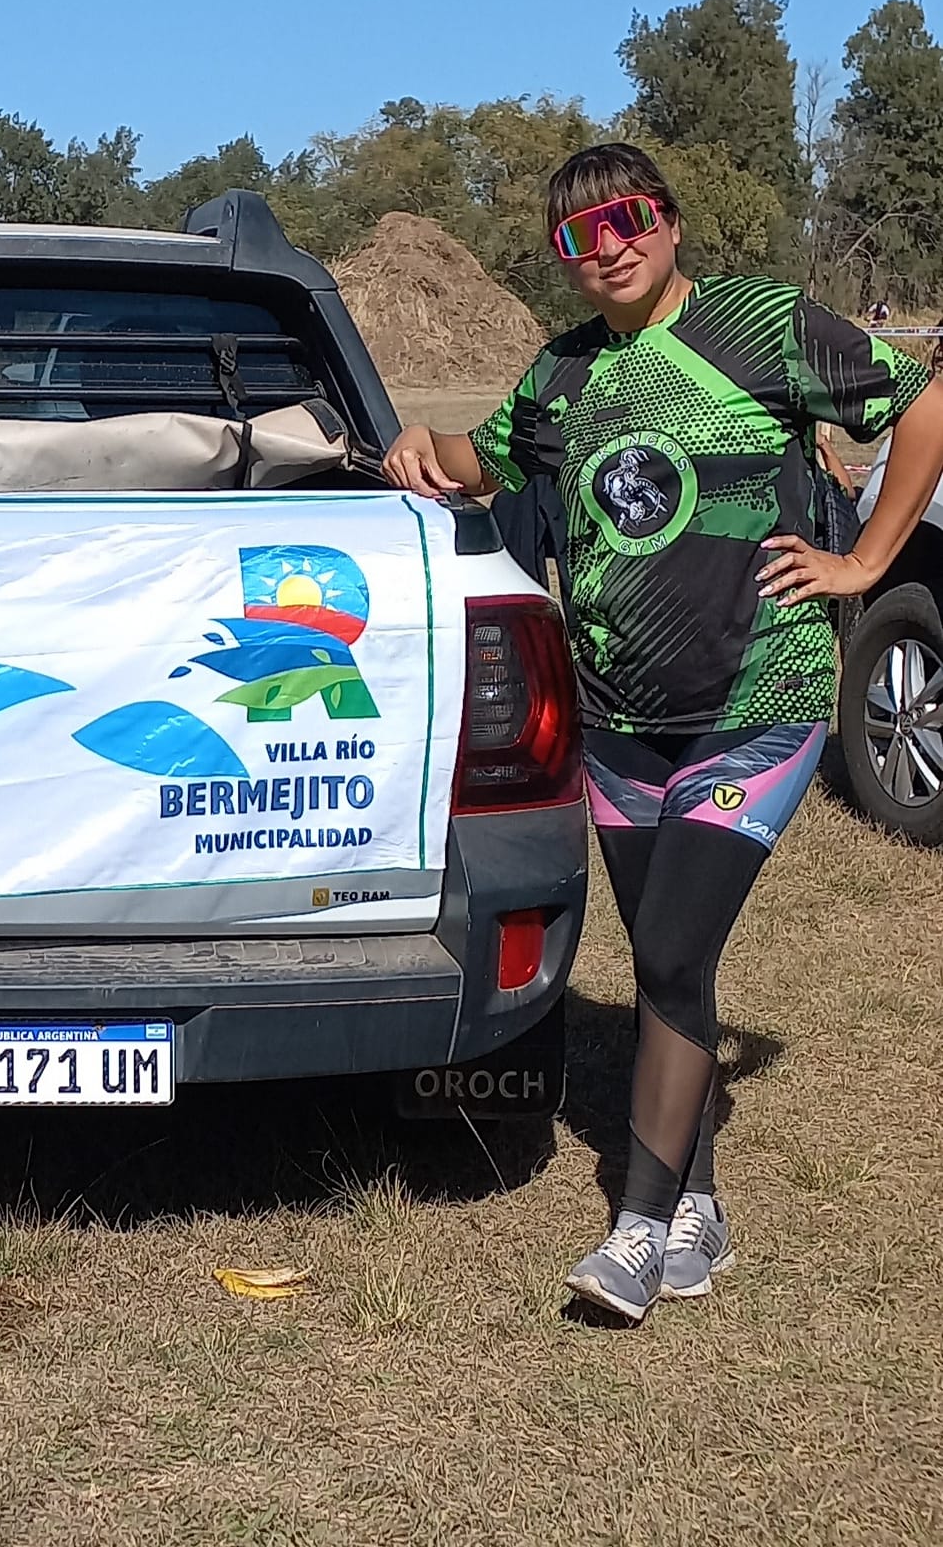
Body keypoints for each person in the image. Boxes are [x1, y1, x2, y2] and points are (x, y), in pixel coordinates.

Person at [384, 143, 943, 1323]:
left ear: (672, 223)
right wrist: (414, 454)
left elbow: (925, 405)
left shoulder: (759, 324)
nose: (608, 247)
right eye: (578, 236)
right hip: (620, 730)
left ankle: (635, 1232)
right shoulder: (562, 373)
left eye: (628, 219)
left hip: (758, 708)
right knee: (663, 968)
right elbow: (476, 460)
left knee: (676, 956)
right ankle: (700, 1208)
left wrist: (867, 558)